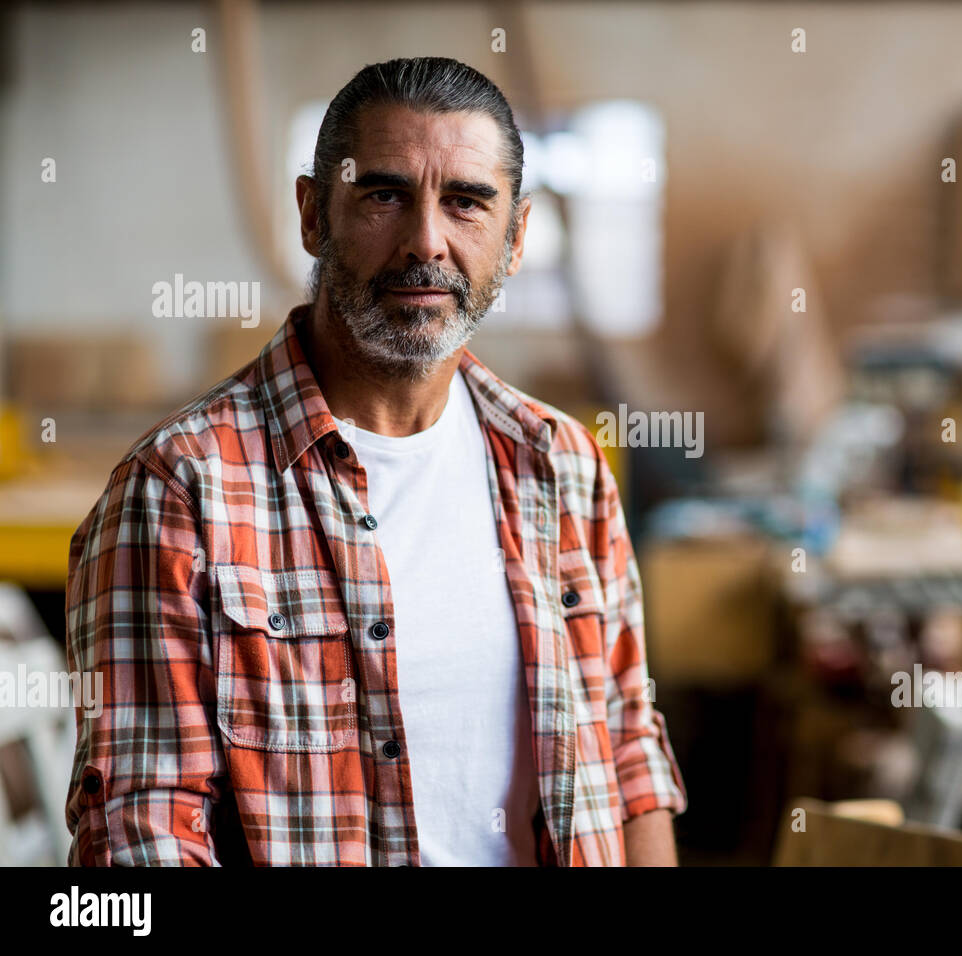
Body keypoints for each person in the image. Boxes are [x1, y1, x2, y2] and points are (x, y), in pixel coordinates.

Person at [63, 56, 686, 866]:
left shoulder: (562, 466)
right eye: (385, 196)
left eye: (466, 203)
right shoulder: (180, 492)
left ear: (518, 237)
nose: (426, 241)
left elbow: (628, 755)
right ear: (313, 214)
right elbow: (140, 838)